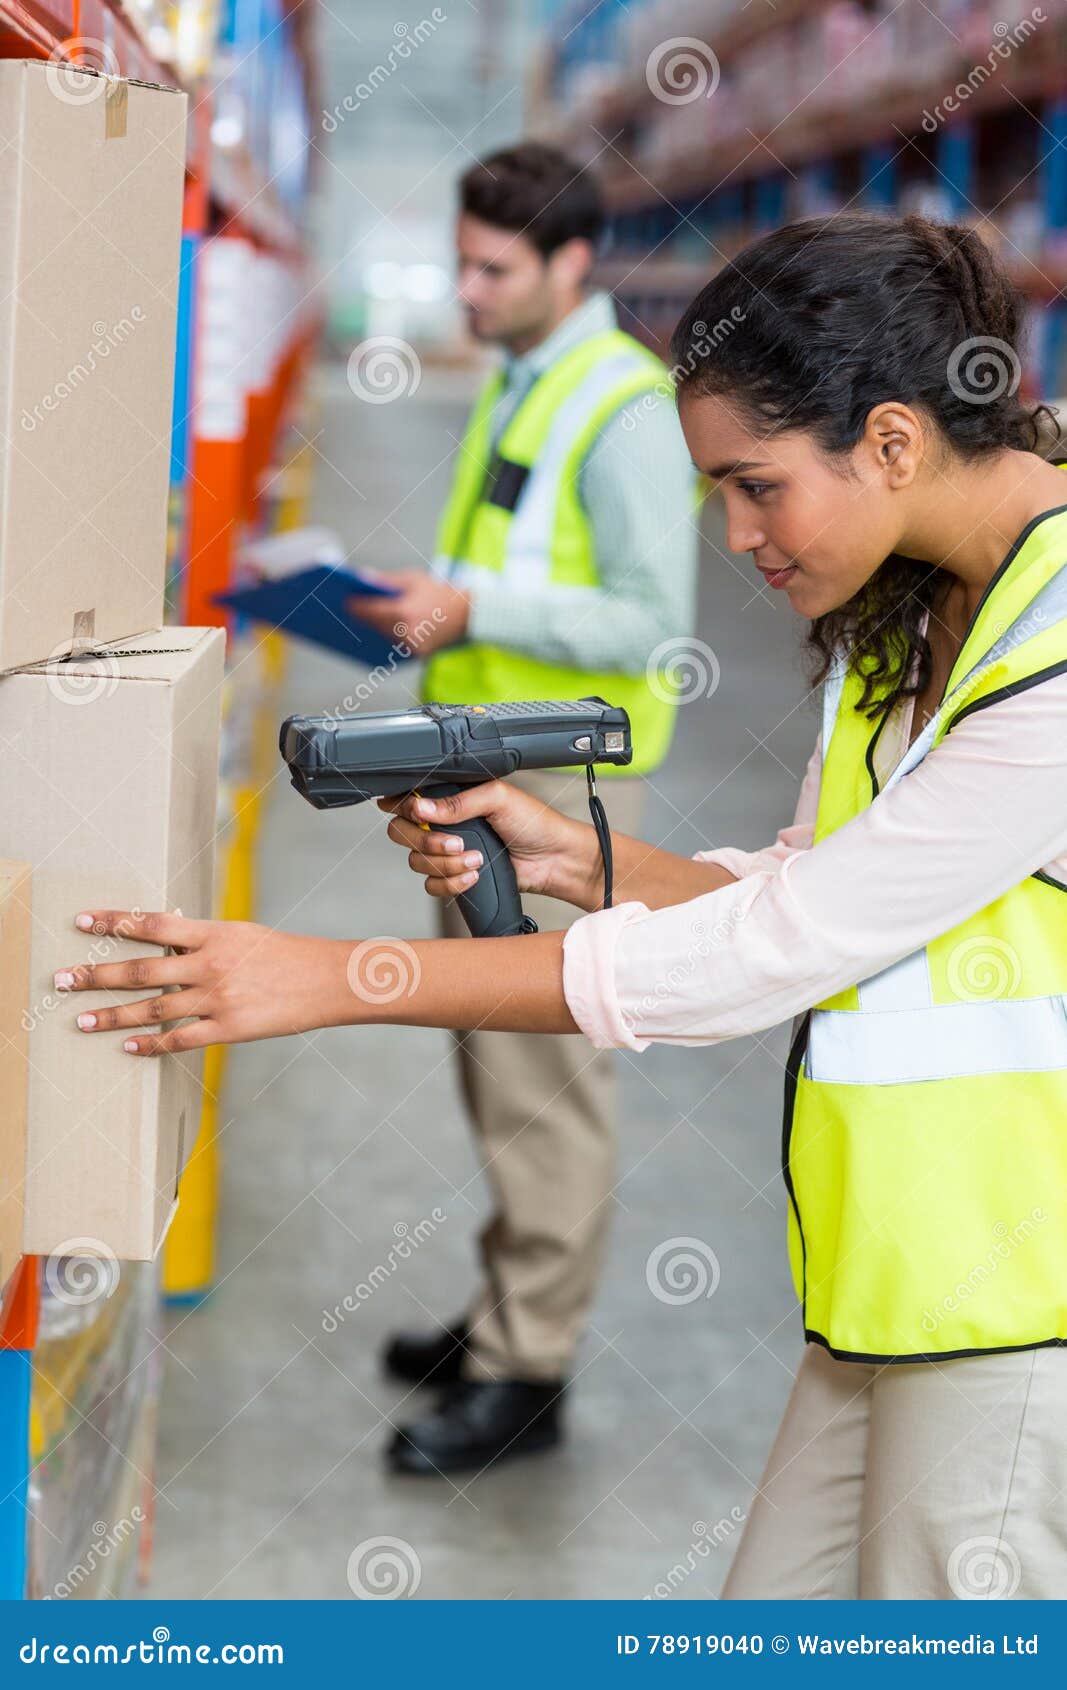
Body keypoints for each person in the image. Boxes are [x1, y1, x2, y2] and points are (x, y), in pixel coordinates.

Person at [61, 212, 1067, 1597]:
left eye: (757, 485)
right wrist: (568, 857)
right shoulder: (927, 612)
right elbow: (821, 889)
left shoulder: (1053, 662)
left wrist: (326, 979)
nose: (737, 533)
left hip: (1023, 1312)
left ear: (894, 441)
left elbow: (771, 952)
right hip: (896, 1284)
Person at [340, 142, 698, 1473]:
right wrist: (424, 591)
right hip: (481, 763)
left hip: (560, 785)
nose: (465, 289)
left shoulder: (626, 407)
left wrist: (475, 608)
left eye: (493, 268)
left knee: (546, 1076)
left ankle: (529, 1366)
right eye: (462, 260)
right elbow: (500, 553)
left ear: (568, 263)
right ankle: (506, 1312)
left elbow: (654, 621)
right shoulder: (527, 379)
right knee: (499, 1061)